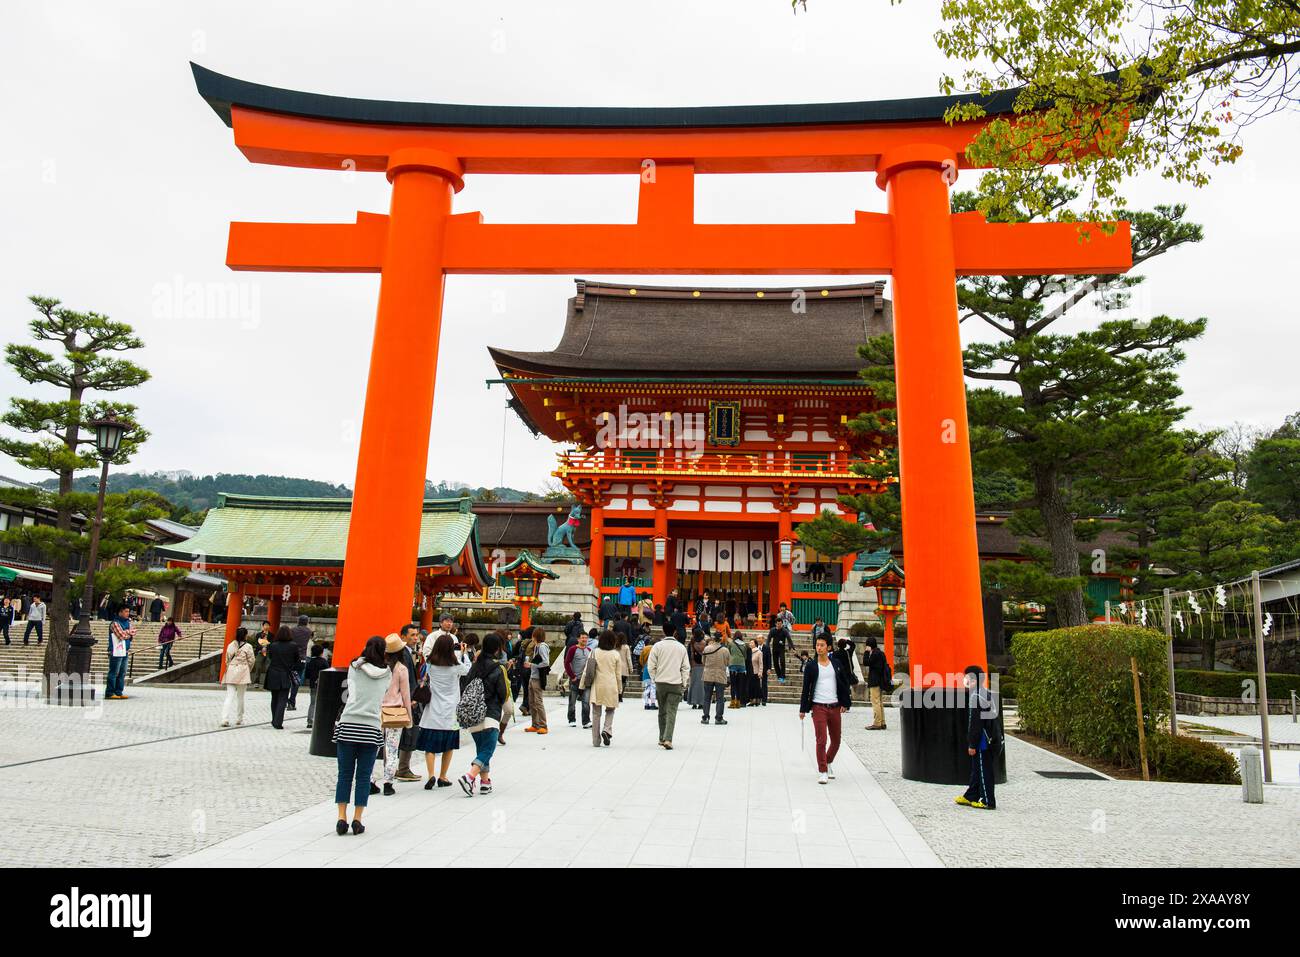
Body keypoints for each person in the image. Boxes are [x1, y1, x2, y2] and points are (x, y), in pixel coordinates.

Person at [332, 635, 390, 836]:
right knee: (364, 777)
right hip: (371, 727)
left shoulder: (354, 667)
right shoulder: (386, 672)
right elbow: (383, 693)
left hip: (348, 723)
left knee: (345, 774)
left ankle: (341, 817)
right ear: (383, 652)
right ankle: (357, 819)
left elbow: (352, 690)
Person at [458, 632, 509, 796]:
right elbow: (502, 693)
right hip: (490, 714)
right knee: (488, 749)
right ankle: (469, 776)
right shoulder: (497, 668)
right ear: (496, 649)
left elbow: (464, 687)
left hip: (473, 714)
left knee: (482, 748)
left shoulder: (473, 667)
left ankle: (485, 782)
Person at [417, 632, 471, 789]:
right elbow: (468, 669)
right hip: (450, 712)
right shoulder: (455, 667)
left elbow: (424, 674)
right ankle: (443, 776)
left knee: (430, 747)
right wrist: (463, 654)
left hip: (433, 710)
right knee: (449, 746)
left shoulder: (430, 664)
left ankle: (431, 774)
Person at [799, 634, 852, 784]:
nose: (819, 648)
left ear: (828, 647)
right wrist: (803, 709)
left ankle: (828, 762)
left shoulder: (836, 663)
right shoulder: (811, 666)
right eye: (817, 645)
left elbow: (844, 684)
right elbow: (806, 688)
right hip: (818, 706)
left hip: (834, 706)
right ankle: (822, 771)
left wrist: (845, 703)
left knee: (836, 740)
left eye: (822, 645)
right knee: (821, 740)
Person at [957, 665, 1001, 810]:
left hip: (983, 741)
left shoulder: (975, 696)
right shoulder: (986, 693)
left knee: (984, 770)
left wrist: (972, 744)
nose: (965, 680)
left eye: (967, 678)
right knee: (977, 768)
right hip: (991, 737)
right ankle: (971, 795)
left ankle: (987, 801)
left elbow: (975, 723)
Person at [379, 633, 413, 797]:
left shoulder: (379, 667)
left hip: (377, 711)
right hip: (395, 712)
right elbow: (406, 695)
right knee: (392, 749)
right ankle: (388, 782)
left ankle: (371, 781)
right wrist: (409, 717)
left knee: (374, 748)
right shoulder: (401, 668)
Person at [646, 627, 690, 749]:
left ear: (664, 632)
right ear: (675, 632)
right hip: (675, 682)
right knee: (672, 711)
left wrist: (655, 678)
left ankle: (661, 737)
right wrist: (684, 682)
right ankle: (668, 739)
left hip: (661, 682)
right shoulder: (681, 647)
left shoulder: (657, 646)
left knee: (662, 711)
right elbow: (686, 667)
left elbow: (651, 665)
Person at [393, 624, 423, 781]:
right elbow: (405, 680)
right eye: (412, 635)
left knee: (405, 733)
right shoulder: (403, 654)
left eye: (416, 635)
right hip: (405, 700)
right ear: (402, 636)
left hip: (405, 698)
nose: (415, 638)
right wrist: (410, 698)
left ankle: (402, 767)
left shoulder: (407, 653)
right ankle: (402, 768)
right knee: (407, 733)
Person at [585, 629, 624, 747]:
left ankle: (596, 740)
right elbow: (618, 675)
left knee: (596, 713)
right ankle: (606, 730)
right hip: (611, 685)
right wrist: (620, 689)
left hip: (597, 685)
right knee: (610, 710)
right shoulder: (616, 654)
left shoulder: (594, 652)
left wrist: (583, 685)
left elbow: (587, 671)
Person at [265, 624, 301, 730]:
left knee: (274, 698)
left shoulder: (273, 645)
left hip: (273, 673)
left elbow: (270, 657)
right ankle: (278, 722)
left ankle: (273, 719)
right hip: (285, 673)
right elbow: (296, 660)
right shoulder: (293, 646)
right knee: (283, 698)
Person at [220, 627, 256, 726]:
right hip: (243, 671)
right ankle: (239, 718)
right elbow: (252, 660)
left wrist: (230, 666)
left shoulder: (231, 645)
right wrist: (248, 669)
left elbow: (227, 659)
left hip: (231, 670)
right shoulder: (248, 646)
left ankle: (224, 718)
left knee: (229, 696)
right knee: (240, 697)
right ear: (245, 635)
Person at [700, 630, 730, 725]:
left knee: (707, 697)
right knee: (720, 698)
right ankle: (719, 718)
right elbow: (728, 663)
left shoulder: (707, 648)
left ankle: (705, 717)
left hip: (708, 674)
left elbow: (703, 661)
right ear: (721, 639)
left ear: (713, 638)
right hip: (720, 675)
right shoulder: (725, 650)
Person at [563, 630, 592, 728]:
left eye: (586, 638)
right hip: (575, 680)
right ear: (578, 639)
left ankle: (586, 721)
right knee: (572, 701)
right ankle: (571, 719)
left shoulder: (589, 650)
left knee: (586, 702)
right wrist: (572, 676)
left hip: (586, 681)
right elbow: (567, 663)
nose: (584, 639)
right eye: (582, 638)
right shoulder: (572, 649)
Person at [524, 628, 551, 734]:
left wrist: (531, 664)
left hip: (538, 678)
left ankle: (543, 725)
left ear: (535, 636)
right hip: (533, 676)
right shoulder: (537, 646)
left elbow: (545, 662)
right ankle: (535, 724)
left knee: (538, 702)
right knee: (532, 702)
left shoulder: (542, 646)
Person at [105, 606, 133, 699]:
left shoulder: (128, 622)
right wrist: (129, 633)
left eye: (128, 611)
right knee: (114, 672)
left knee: (122, 672)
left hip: (125, 651)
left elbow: (132, 633)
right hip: (115, 651)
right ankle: (110, 692)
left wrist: (127, 633)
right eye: (126, 611)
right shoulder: (115, 623)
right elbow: (121, 636)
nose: (128, 613)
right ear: (120, 612)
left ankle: (118, 692)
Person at [288, 614, 314, 710]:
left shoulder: (293, 630)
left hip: (291, 657)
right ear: (307, 622)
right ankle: (292, 701)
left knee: (288, 679)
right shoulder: (308, 631)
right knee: (296, 681)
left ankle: (285, 699)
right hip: (302, 657)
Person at [305, 643, 328, 729]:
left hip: (313, 685)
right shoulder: (324, 661)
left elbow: (307, 675)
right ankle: (321, 720)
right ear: (321, 653)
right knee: (322, 703)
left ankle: (310, 721)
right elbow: (327, 673)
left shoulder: (310, 662)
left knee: (313, 703)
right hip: (322, 684)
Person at [686, 629, 706, 710]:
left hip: (693, 665)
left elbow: (688, 655)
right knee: (702, 685)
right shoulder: (705, 644)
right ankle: (701, 702)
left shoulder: (691, 644)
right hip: (703, 665)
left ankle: (693, 702)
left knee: (693, 684)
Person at [251, 621, 273, 688]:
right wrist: (261, 648)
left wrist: (267, 648)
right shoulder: (258, 635)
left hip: (268, 653)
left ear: (269, 626)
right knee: (258, 667)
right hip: (260, 652)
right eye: (265, 625)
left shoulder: (271, 635)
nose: (266, 626)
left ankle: (268, 682)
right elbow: (256, 644)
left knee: (268, 667)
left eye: (268, 625)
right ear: (262, 626)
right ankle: (256, 682)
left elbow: (272, 644)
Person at [769, 618, 790, 683]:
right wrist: (767, 646)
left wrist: (792, 647)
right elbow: (768, 638)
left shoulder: (784, 630)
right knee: (775, 663)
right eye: (778, 624)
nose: (779, 625)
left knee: (782, 661)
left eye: (780, 624)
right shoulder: (772, 630)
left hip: (781, 649)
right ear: (775, 624)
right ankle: (779, 676)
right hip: (774, 649)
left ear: (782, 624)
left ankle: (783, 676)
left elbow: (789, 639)